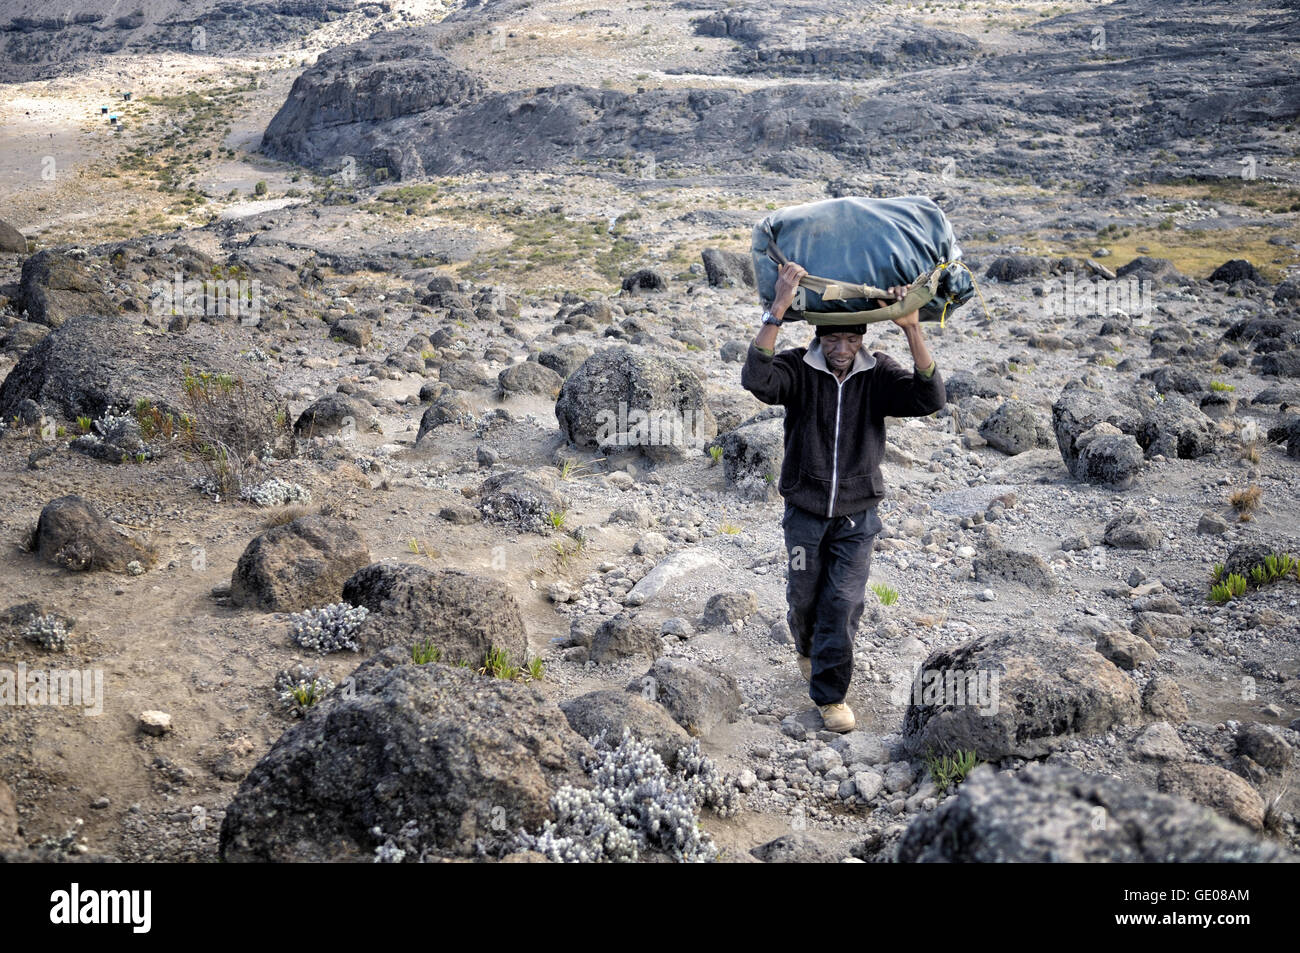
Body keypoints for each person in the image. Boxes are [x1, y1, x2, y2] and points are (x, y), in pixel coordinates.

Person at [740, 261, 945, 732]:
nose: (841, 348)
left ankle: (831, 696)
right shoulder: (796, 368)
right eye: (832, 338)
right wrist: (777, 309)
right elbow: (757, 380)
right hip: (803, 517)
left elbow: (929, 398)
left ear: (862, 340)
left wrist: (912, 327)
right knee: (804, 596)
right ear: (817, 335)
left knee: (845, 602)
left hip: (858, 518)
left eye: (850, 339)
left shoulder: (879, 375)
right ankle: (807, 647)